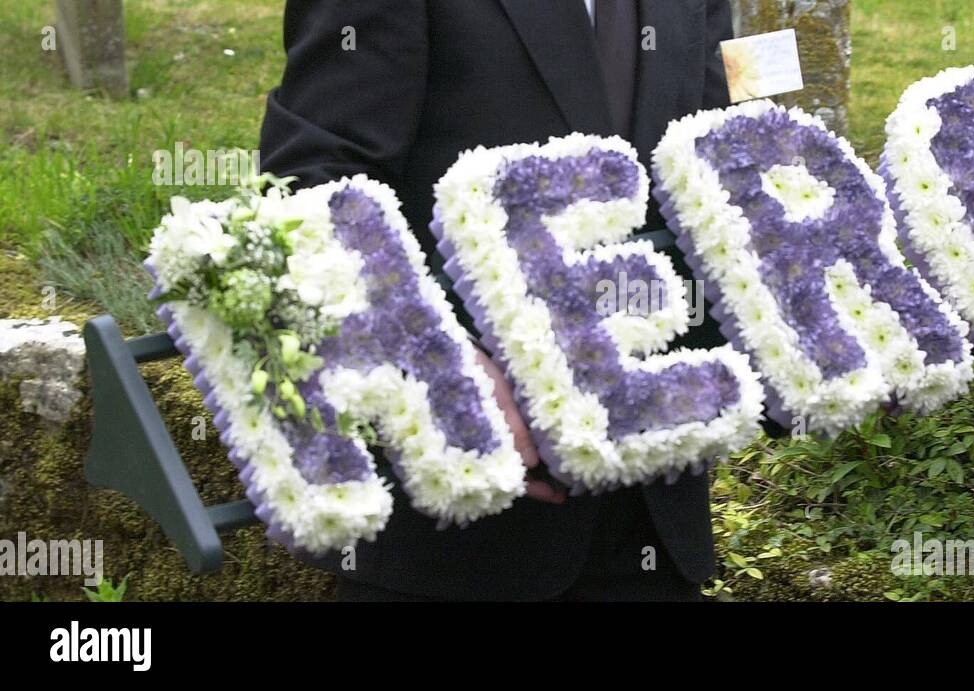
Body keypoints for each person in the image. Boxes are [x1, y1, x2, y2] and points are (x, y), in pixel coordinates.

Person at [258, 0, 735, 601]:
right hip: (455, 538)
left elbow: (714, 167)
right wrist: (440, 367)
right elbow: (309, 187)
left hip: (649, 524)